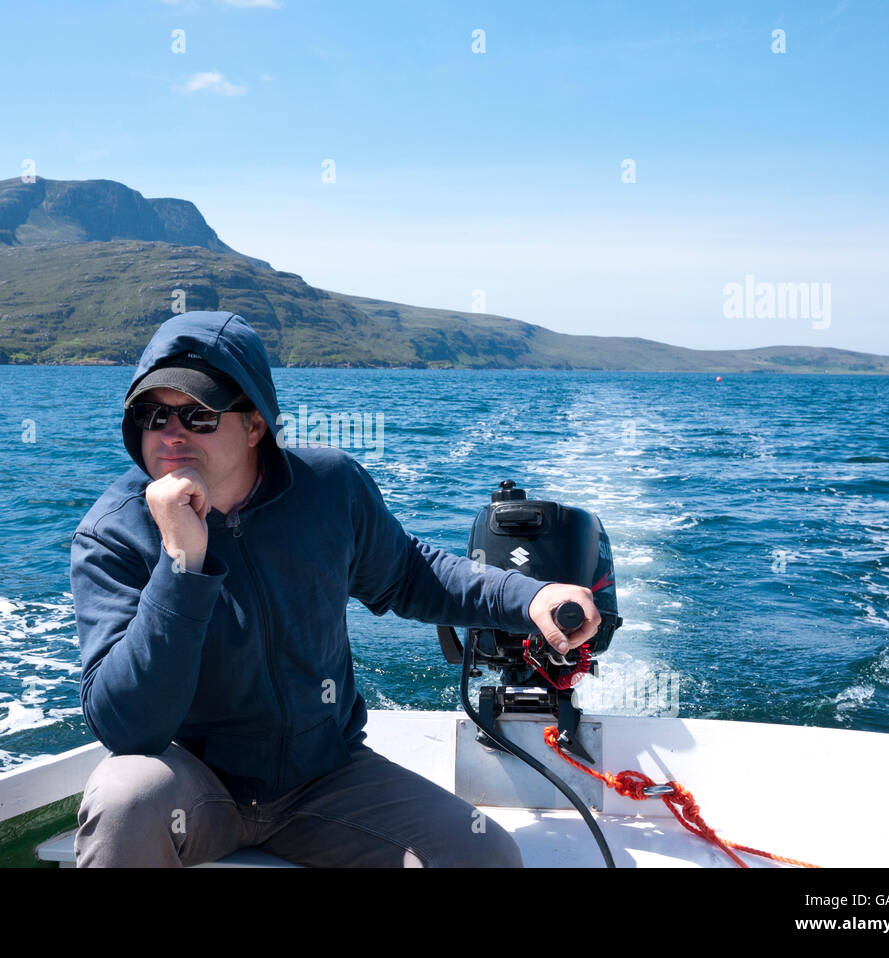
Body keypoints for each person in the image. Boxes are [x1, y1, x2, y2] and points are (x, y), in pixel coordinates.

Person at [70, 310, 600, 867]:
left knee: (482, 855)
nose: (171, 433)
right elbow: (127, 726)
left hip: (322, 779)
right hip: (193, 782)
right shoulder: (114, 533)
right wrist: (181, 563)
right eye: (153, 415)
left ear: (255, 425)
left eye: (199, 415)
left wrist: (530, 597)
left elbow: (412, 573)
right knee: (124, 799)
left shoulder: (327, 489)